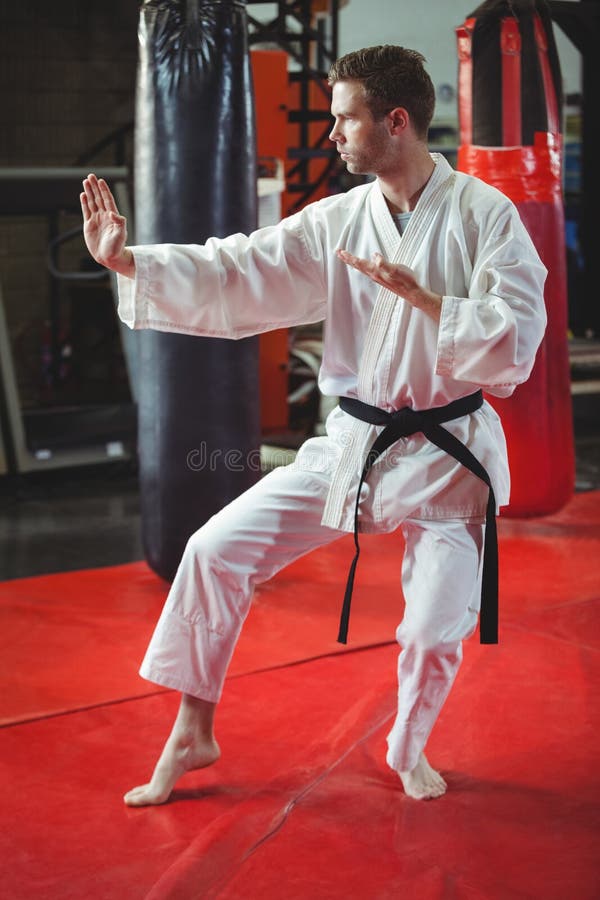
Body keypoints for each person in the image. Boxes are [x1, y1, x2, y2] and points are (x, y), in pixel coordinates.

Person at [81, 45, 547, 804]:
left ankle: (408, 746)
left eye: (344, 117)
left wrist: (429, 301)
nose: (332, 132)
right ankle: (193, 731)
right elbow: (240, 268)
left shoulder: (484, 214)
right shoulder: (341, 219)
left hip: (449, 453)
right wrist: (131, 262)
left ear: (395, 121)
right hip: (357, 443)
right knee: (213, 549)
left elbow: (519, 337)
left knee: (433, 633)